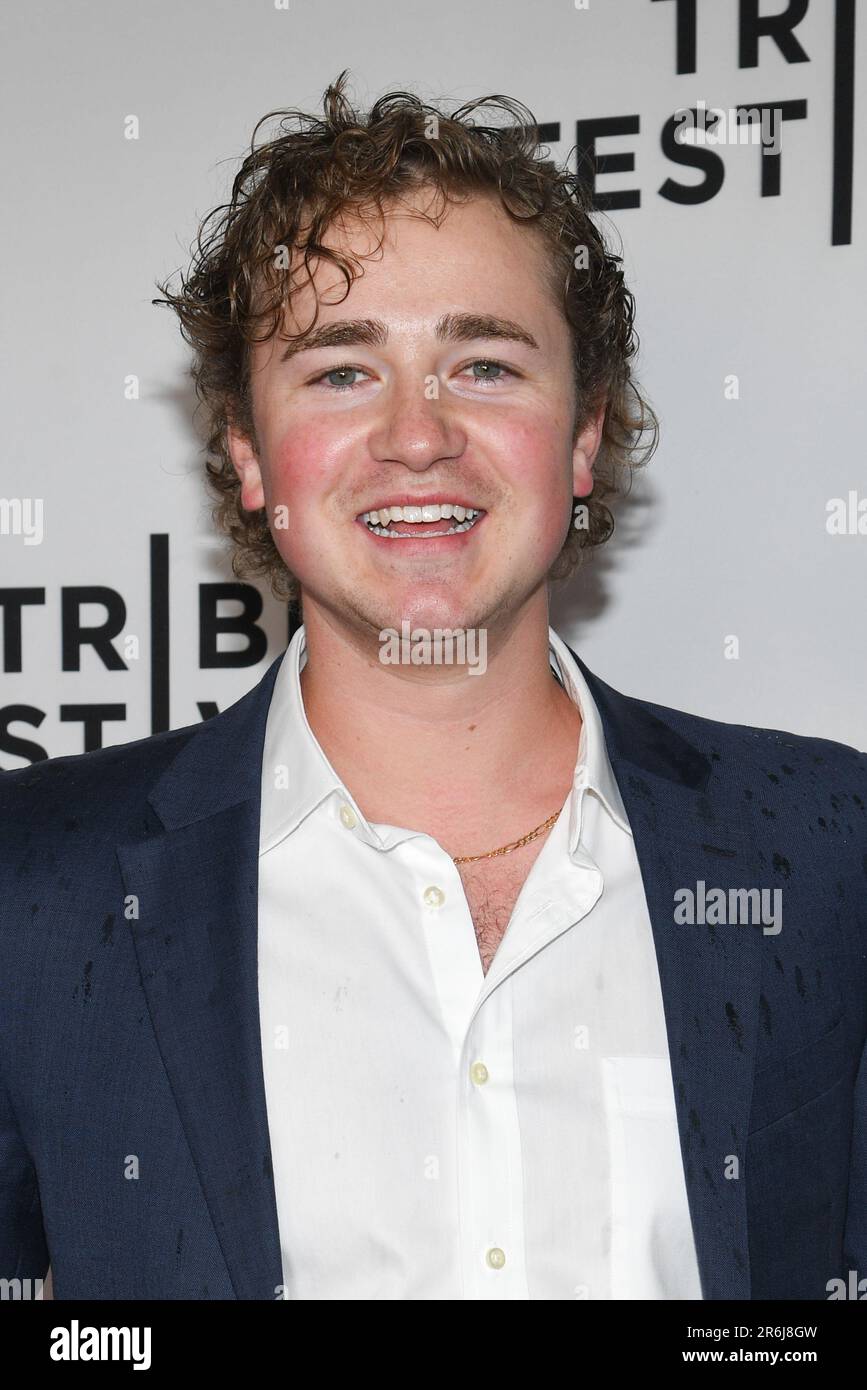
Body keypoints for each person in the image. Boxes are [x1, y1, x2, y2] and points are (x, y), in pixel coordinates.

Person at [1, 71, 865, 1302]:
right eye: (342, 371)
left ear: (582, 437)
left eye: (487, 366)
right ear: (248, 453)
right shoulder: (34, 892)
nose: (418, 434)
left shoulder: (825, 850)